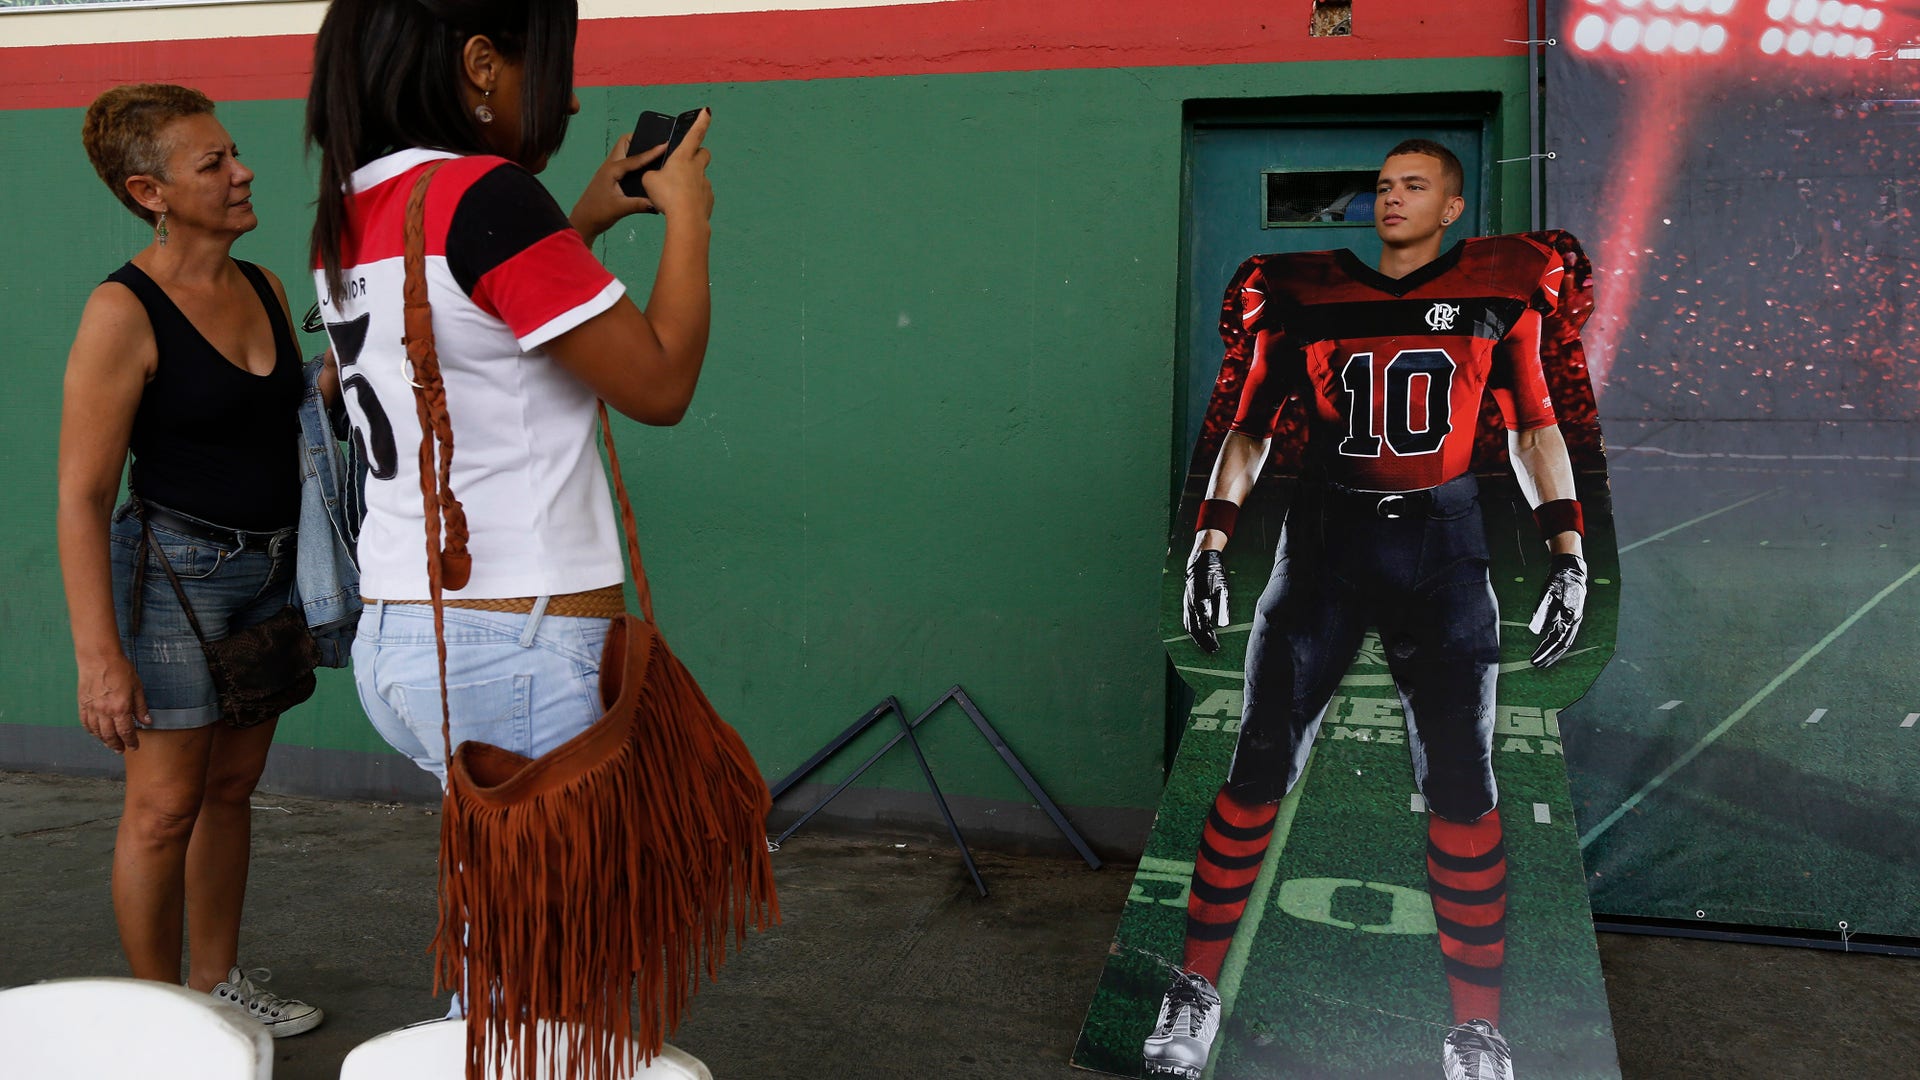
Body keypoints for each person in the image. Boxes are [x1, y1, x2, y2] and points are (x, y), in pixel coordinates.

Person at [1142, 140, 1588, 1080]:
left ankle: (1476, 1029)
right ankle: (1195, 986)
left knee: (1463, 785)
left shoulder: (1499, 290)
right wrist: (1211, 540)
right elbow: (1250, 427)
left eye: (1413, 185)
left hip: (1445, 547)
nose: (1391, 199)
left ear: (1453, 207)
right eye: (1382, 186)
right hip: (1326, 546)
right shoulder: (1301, 289)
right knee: (1259, 764)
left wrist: (1567, 550)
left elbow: (1536, 427)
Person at [303, 0, 715, 1005]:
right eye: (551, 65)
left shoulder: (358, 203)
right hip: (517, 647)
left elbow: (462, 323)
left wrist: (576, 222)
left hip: (409, 636)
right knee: (548, 982)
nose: (570, 94)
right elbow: (658, 385)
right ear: (480, 64)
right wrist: (691, 218)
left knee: (502, 946)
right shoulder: (488, 197)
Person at [57, 83, 324, 1037]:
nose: (243, 170)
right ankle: (160, 1020)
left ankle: (217, 989)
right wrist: (101, 658)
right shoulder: (121, 311)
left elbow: (281, 419)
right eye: (212, 163)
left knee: (230, 789)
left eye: (233, 152)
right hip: (174, 575)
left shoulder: (264, 285)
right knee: (166, 807)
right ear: (149, 190)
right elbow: (83, 498)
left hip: (273, 572)